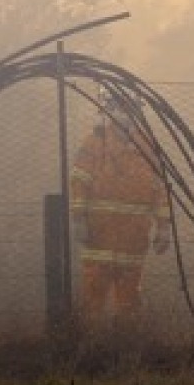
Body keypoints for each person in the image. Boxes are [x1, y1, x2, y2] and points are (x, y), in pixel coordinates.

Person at [70, 88, 170, 325]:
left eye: (128, 110)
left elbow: (161, 189)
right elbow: (78, 180)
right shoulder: (95, 142)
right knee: (93, 295)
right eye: (118, 108)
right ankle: (91, 347)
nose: (123, 115)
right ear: (108, 110)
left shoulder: (149, 148)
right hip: (98, 236)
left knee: (129, 300)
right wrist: (78, 219)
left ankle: (125, 348)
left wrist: (163, 227)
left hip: (133, 238)